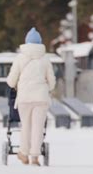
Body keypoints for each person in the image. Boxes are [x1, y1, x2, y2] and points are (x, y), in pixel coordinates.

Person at [6, 27, 56, 166]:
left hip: (25, 98)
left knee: (26, 126)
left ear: (26, 43)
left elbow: (11, 81)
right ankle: (34, 157)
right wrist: (46, 88)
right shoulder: (46, 59)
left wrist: (17, 84)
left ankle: (23, 153)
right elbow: (52, 82)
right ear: (40, 43)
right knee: (38, 127)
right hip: (41, 98)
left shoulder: (20, 58)